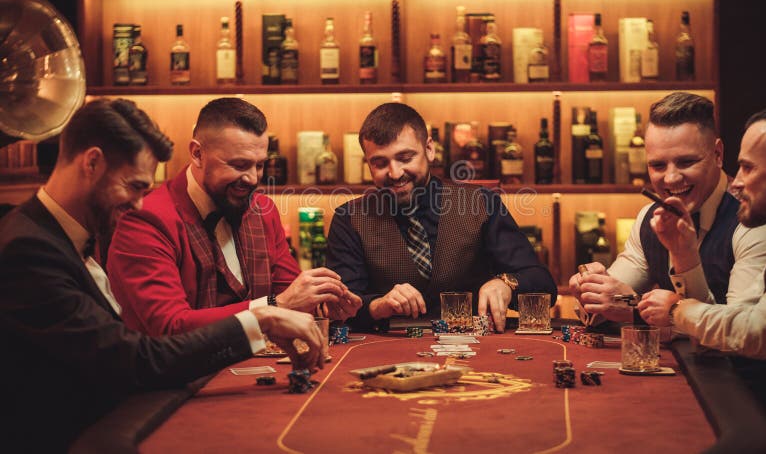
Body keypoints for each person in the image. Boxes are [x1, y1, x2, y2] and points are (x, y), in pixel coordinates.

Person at [0, 98, 326, 452]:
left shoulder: (50, 235)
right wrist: (260, 318)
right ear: (91, 163)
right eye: (133, 186)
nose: (139, 204)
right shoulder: (28, 250)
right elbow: (137, 359)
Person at [107, 97, 361, 336]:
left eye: (259, 165)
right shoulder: (145, 220)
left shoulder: (263, 210)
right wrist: (275, 306)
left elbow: (290, 293)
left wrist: (323, 305)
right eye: (239, 165)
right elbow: (170, 326)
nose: (252, 179)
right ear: (197, 154)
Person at [638, 107, 766, 451]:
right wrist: (684, 255)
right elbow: (741, 322)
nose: (736, 182)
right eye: (657, 164)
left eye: (748, 168)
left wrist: (677, 310)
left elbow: (755, 333)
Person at [325, 102, 556, 332]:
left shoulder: (481, 203)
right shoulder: (349, 219)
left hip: (474, 346)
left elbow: (543, 284)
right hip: (388, 348)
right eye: (380, 163)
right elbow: (339, 308)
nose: (395, 173)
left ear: (429, 149)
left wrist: (506, 284)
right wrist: (378, 306)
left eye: (405, 158)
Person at [569, 93, 766, 322]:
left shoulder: (753, 220)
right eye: (658, 165)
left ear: (717, 154)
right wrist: (589, 288)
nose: (671, 178)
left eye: (686, 162)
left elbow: (740, 328)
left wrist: (657, 311)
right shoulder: (648, 218)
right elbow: (612, 302)